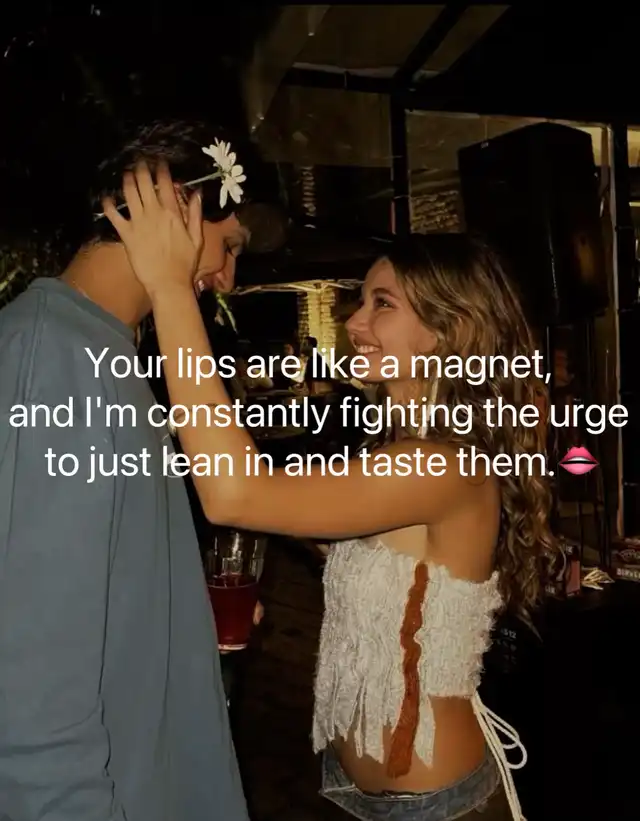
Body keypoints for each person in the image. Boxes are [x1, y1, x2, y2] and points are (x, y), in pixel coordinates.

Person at [104, 162, 560, 821]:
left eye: (382, 304)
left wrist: (171, 288)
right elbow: (355, 546)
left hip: (436, 806)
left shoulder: (441, 465)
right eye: (361, 300)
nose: (354, 322)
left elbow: (234, 493)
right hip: (357, 789)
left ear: (450, 330)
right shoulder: (402, 451)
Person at [0, 119, 284, 821]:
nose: (229, 278)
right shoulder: (55, 354)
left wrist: (170, 608)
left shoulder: (106, 351)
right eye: (229, 246)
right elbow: (30, 695)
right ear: (175, 208)